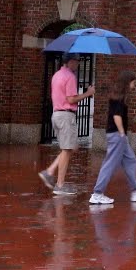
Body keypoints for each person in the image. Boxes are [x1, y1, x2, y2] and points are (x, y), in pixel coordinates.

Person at [89, 71, 136, 205]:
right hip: (117, 135)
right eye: (133, 82)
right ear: (127, 82)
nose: (134, 85)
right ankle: (97, 193)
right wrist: (121, 134)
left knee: (130, 160)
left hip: (116, 135)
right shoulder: (119, 98)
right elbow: (117, 116)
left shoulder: (118, 96)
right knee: (110, 164)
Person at [39, 52, 94, 195]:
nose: (78, 64)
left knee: (70, 147)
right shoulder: (70, 76)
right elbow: (71, 99)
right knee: (67, 148)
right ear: (69, 62)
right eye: (76, 61)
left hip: (56, 114)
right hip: (66, 115)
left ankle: (50, 171)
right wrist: (88, 93)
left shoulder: (57, 75)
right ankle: (60, 185)